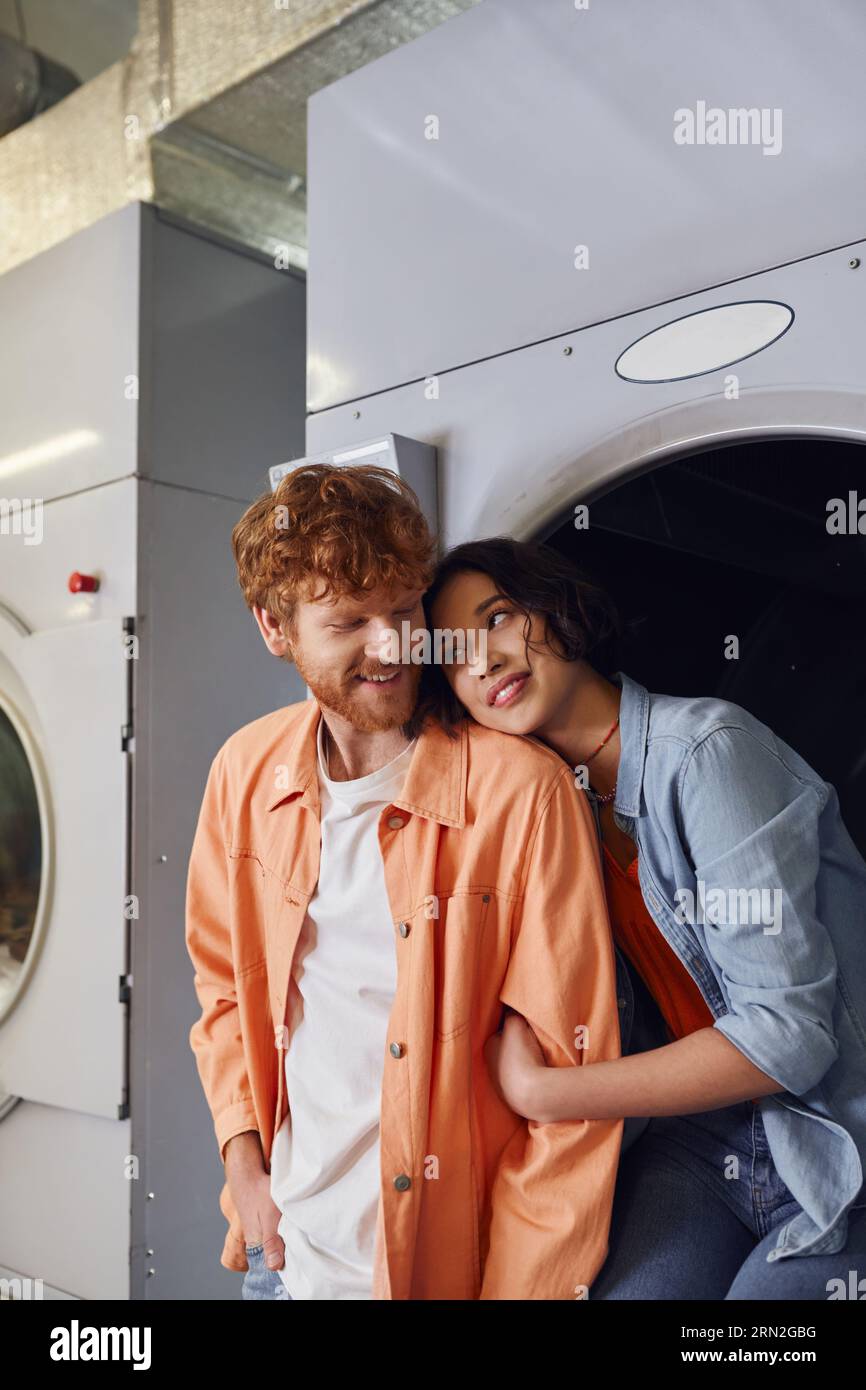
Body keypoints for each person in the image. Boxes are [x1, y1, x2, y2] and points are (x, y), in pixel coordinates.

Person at [184, 467, 624, 1301]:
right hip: (283, 1261)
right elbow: (225, 999)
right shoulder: (243, 774)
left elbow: (572, 1100)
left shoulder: (519, 792)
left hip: (437, 1275)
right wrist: (247, 1172)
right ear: (274, 628)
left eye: (404, 609)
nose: (393, 646)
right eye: (349, 621)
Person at [423, 535, 866, 1300]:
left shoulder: (705, 753)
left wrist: (548, 1094)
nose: (485, 661)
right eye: (454, 657)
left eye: (497, 618)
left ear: (556, 609)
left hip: (832, 1136)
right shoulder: (551, 808)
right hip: (702, 1144)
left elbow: (789, 1039)